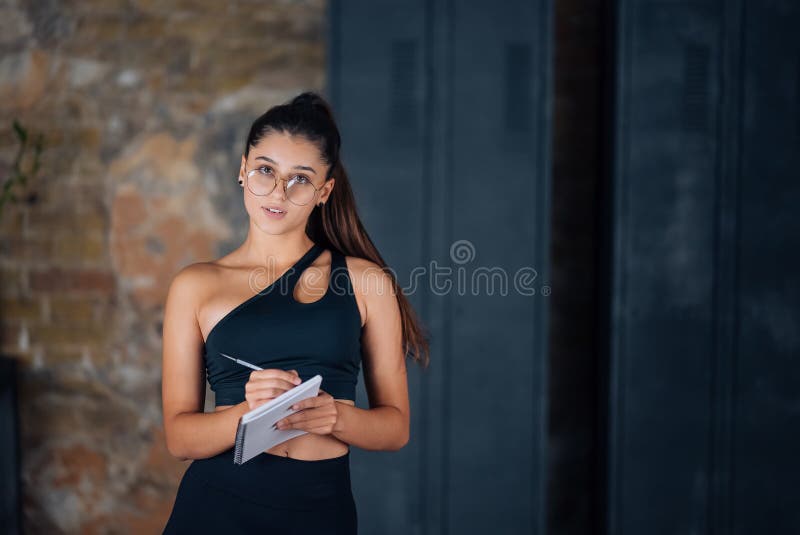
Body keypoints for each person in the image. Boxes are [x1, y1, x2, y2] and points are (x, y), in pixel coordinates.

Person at [160, 91, 430, 534]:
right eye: (265, 170)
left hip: (320, 513)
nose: (278, 192)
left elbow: (395, 428)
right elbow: (179, 439)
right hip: (217, 509)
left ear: (325, 191)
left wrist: (337, 416)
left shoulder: (364, 281)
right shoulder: (195, 285)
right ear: (243, 170)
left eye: (300, 179)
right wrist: (249, 411)